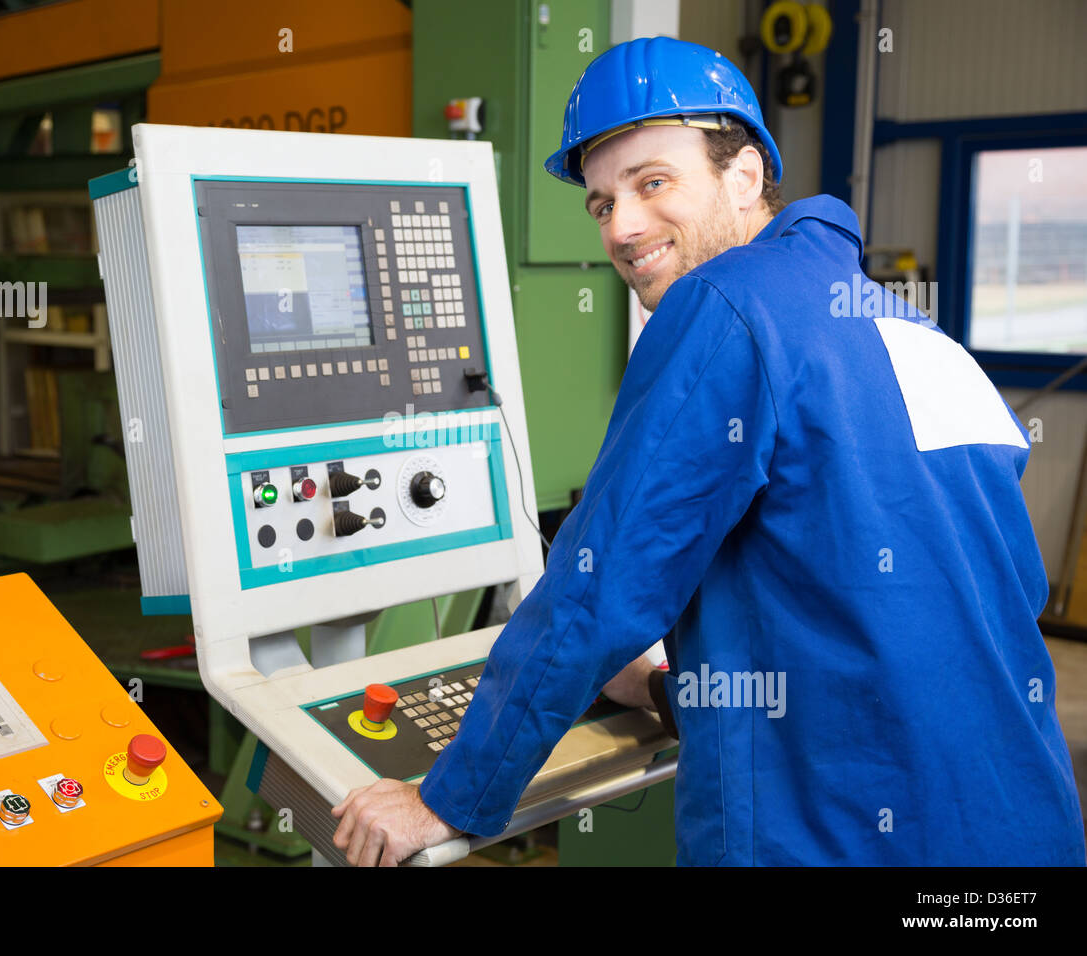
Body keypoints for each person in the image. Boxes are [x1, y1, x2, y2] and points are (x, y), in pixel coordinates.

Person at [331, 35, 1086, 866]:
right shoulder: (917, 332)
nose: (621, 226)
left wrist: (447, 795)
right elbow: (933, 621)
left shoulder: (723, 306)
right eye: (600, 202)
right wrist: (667, 688)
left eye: (654, 182)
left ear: (746, 174)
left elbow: (599, 585)